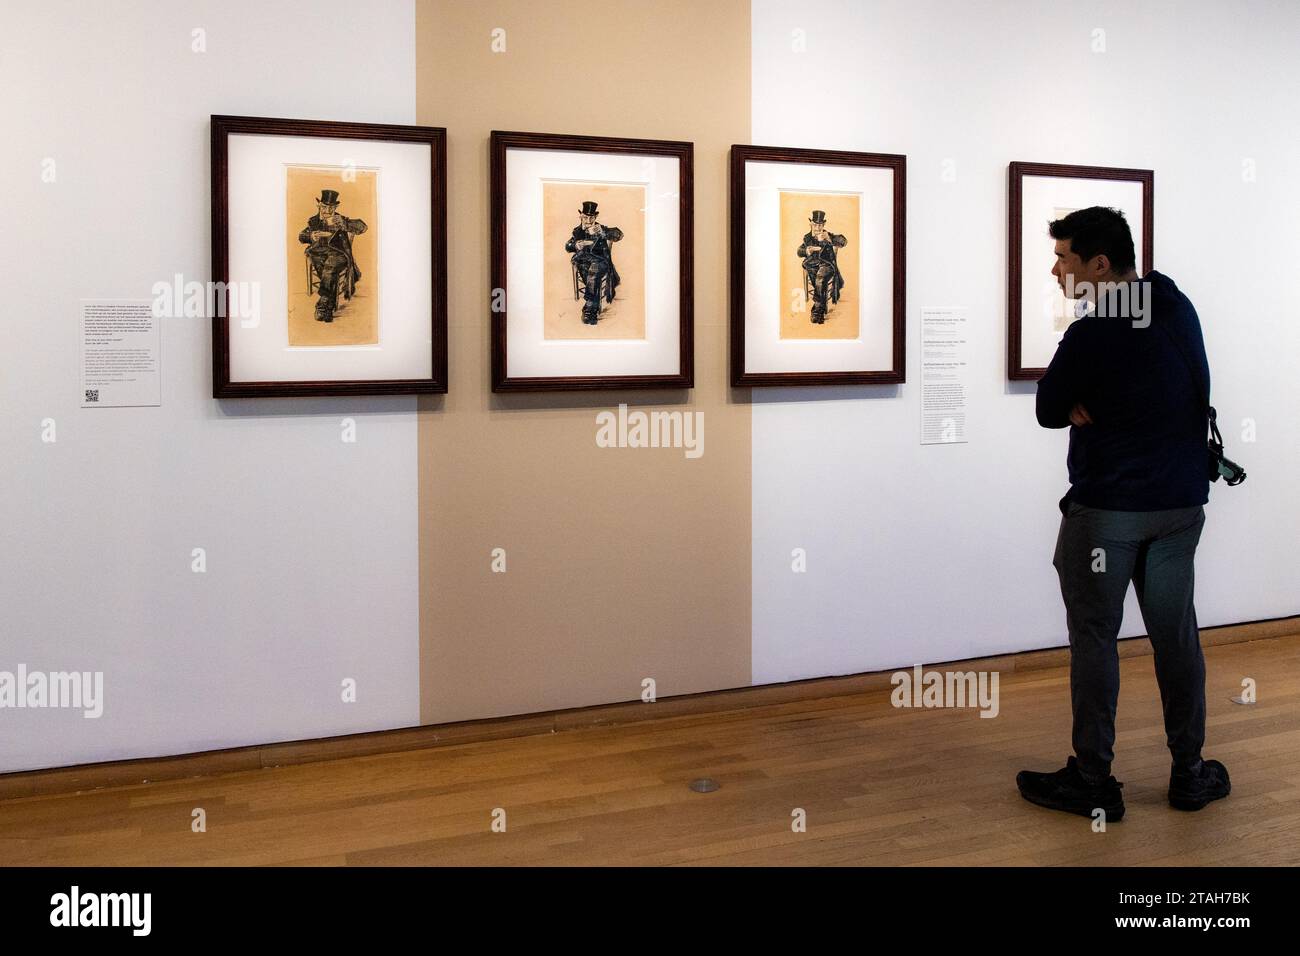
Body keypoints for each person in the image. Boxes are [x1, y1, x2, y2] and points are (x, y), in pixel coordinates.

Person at [1017, 206, 1230, 821]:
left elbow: (1048, 407)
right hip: (1179, 507)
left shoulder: (1091, 334)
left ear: (1099, 265)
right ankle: (1189, 775)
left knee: (1094, 639)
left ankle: (1093, 780)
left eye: (1064, 258)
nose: (1056, 270)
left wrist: (1082, 398)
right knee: (1176, 637)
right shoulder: (1174, 306)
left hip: (1108, 511)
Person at [299, 188, 367, 323]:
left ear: (335, 207)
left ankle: (323, 304)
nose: (327, 211)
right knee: (322, 263)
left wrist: (344, 223)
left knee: (330, 266)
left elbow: (362, 227)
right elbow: (301, 236)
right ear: (319, 205)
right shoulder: (313, 221)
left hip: (339, 254)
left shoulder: (339, 219)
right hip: (319, 253)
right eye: (324, 207)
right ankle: (329, 306)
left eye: (331, 208)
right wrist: (311, 236)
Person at [565, 200, 623, 325]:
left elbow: (619, 234)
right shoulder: (577, 231)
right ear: (581, 216)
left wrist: (603, 233)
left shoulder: (600, 228)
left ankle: (589, 307)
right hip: (584, 262)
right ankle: (592, 309)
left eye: (591, 218)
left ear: (595, 217)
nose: (588, 221)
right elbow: (567, 246)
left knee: (595, 269)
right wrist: (576, 245)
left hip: (600, 261)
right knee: (591, 271)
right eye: (585, 217)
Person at [797, 210, 846, 324]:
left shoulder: (827, 235)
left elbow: (843, 241)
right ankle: (822, 304)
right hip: (813, 264)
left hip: (827, 265)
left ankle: (817, 311)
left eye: (820, 225)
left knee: (820, 277)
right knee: (818, 279)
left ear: (823, 225)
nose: (818, 228)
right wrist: (807, 250)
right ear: (811, 224)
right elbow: (799, 251)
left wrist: (829, 238)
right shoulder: (807, 238)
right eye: (815, 225)